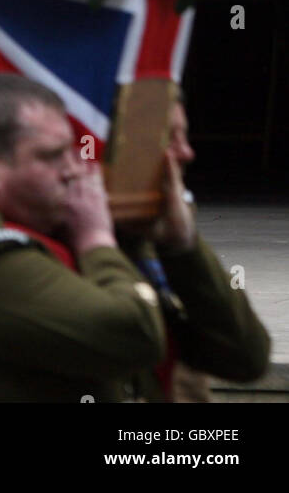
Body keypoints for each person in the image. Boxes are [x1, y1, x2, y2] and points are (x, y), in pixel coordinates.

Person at [0, 74, 265, 402]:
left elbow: (244, 358)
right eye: (55, 155)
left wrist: (182, 248)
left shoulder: (107, 240)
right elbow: (135, 335)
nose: (73, 170)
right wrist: (96, 239)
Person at [116, 96, 270, 401]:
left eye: (183, 136)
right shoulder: (50, 248)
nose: (187, 152)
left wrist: (184, 248)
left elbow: (248, 359)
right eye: (168, 139)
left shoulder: (157, 242)